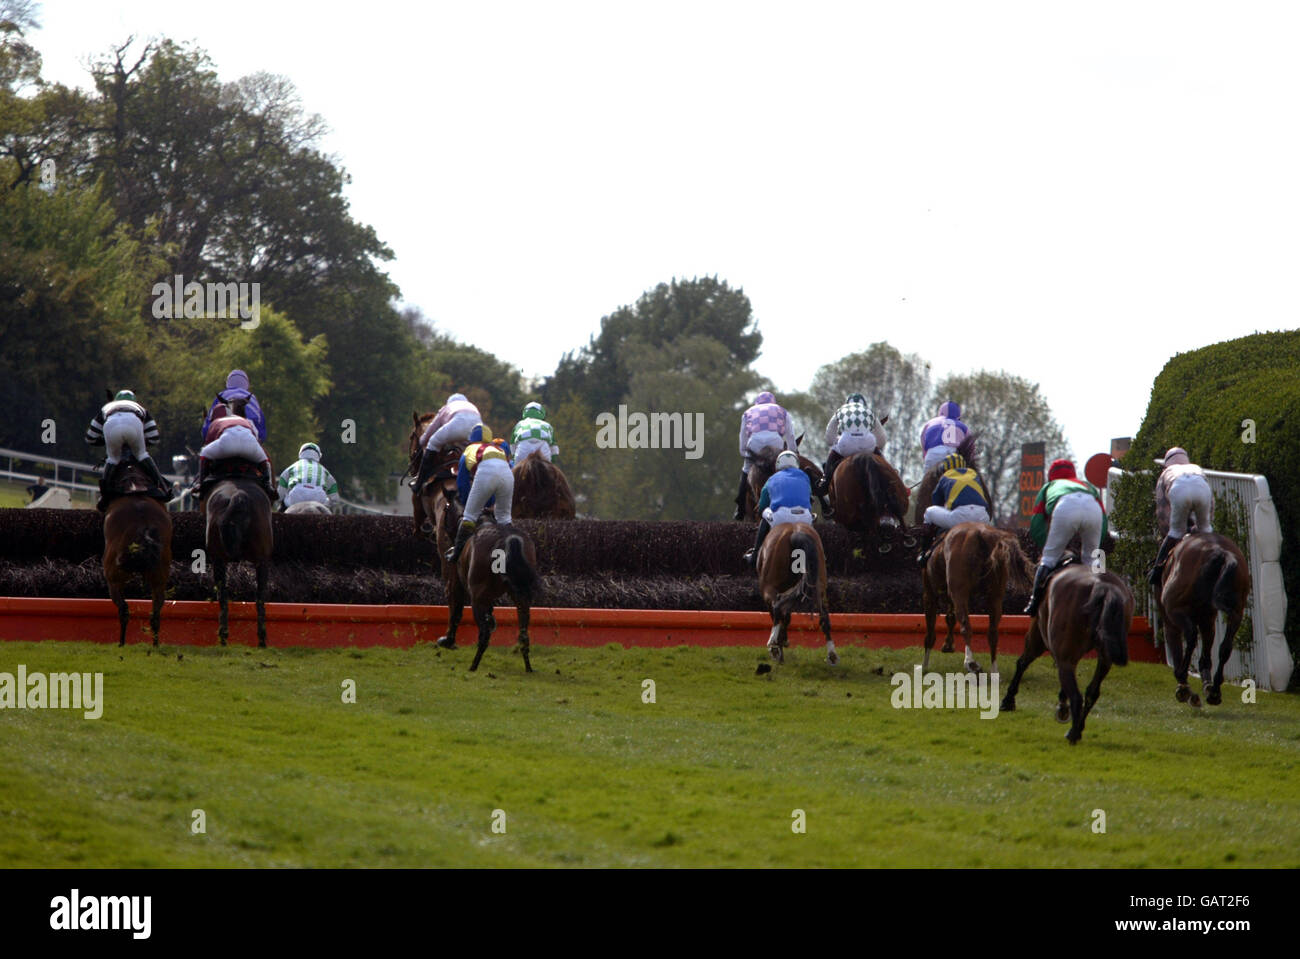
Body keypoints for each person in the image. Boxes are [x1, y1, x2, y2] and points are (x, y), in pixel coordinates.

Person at [1023, 458, 1108, 616]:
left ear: (1051, 476)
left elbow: (1036, 521)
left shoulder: (1049, 486)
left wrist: (1046, 545)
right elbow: (1103, 518)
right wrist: (1099, 543)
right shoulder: (1087, 486)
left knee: (1048, 558)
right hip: (1093, 508)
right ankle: (1103, 592)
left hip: (1065, 507)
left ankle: (1033, 601)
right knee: (1093, 558)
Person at [85, 390, 172, 510]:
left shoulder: (107, 407)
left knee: (113, 459)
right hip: (134, 425)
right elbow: (154, 438)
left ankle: (104, 496)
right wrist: (137, 443)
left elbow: (90, 438)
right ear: (134, 401)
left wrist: (110, 441)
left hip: (111, 426)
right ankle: (164, 488)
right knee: (142, 455)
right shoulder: (140, 408)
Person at [445, 424, 515, 564]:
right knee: (504, 519)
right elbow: (498, 480)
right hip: (508, 475)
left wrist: (468, 504)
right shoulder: (497, 448)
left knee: (469, 517)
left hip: (486, 474)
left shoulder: (469, 450)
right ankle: (508, 558)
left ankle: (456, 554)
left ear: (471, 440)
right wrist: (489, 502)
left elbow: (462, 483)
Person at [1148, 447, 1214, 587]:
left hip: (1178, 488)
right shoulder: (1197, 468)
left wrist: (1171, 531)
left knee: (1175, 532)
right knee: (1207, 531)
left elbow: (1162, 513)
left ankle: (1156, 571)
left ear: (1167, 464)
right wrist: (1201, 527)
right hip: (1202, 488)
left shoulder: (1166, 473)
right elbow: (1211, 504)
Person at [916, 452, 991, 565]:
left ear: (945, 468)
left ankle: (924, 551)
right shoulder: (974, 474)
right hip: (983, 517)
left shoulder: (945, 476)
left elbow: (936, 501)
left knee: (929, 511)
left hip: (960, 517)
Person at [193, 401, 278, 501]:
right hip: (249, 444)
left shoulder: (216, 422)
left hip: (226, 444)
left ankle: (201, 486)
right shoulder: (246, 420)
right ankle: (269, 486)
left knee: (204, 452)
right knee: (265, 461)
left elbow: (208, 442)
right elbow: (256, 438)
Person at [743, 451, 815, 568]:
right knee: (811, 524)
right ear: (796, 463)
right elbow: (809, 495)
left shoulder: (772, 479)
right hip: (804, 516)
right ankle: (819, 555)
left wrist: (763, 508)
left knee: (765, 513)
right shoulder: (804, 476)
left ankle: (755, 554)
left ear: (778, 465)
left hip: (781, 517)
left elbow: (763, 504)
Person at [734, 391, 797, 520]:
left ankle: (740, 508)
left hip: (754, 442)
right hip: (775, 440)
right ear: (773, 401)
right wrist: (793, 452)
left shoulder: (748, 412)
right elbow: (790, 435)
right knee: (786, 469)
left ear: (757, 402)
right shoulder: (782, 410)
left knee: (746, 470)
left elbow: (742, 436)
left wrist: (743, 453)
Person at [816, 392, 888, 496]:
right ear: (864, 404)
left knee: (833, 453)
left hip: (846, 444)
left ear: (846, 403)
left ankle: (825, 481)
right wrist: (877, 448)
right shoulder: (870, 412)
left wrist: (836, 442)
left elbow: (829, 437)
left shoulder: (840, 411)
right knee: (881, 458)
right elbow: (882, 439)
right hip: (867, 444)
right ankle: (891, 479)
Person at [410, 392, 481, 491]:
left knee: (432, 442)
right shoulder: (473, 407)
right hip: (476, 431)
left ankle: (419, 483)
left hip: (455, 427)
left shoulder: (446, 408)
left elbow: (432, 429)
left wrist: (421, 442)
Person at [201, 370, 266, 445]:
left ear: (228, 383)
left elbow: (208, 423)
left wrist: (206, 436)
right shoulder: (252, 398)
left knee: (206, 454)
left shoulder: (222, 395)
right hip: (250, 434)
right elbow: (261, 428)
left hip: (223, 433)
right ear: (246, 384)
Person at [277, 442, 340, 511]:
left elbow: (280, 492)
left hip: (296, 497)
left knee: (282, 506)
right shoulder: (325, 471)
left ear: (300, 453)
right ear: (318, 456)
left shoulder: (292, 467)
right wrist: (327, 504)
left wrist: (280, 500)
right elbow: (335, 499)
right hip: (319, 498)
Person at [920, 401, 969, 473]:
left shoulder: (930, 423)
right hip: (953, 457)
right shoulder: (964, 427)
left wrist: (926, 457)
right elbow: (970, 449)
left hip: (933, 455)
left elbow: (923, 443)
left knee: (926, 483)